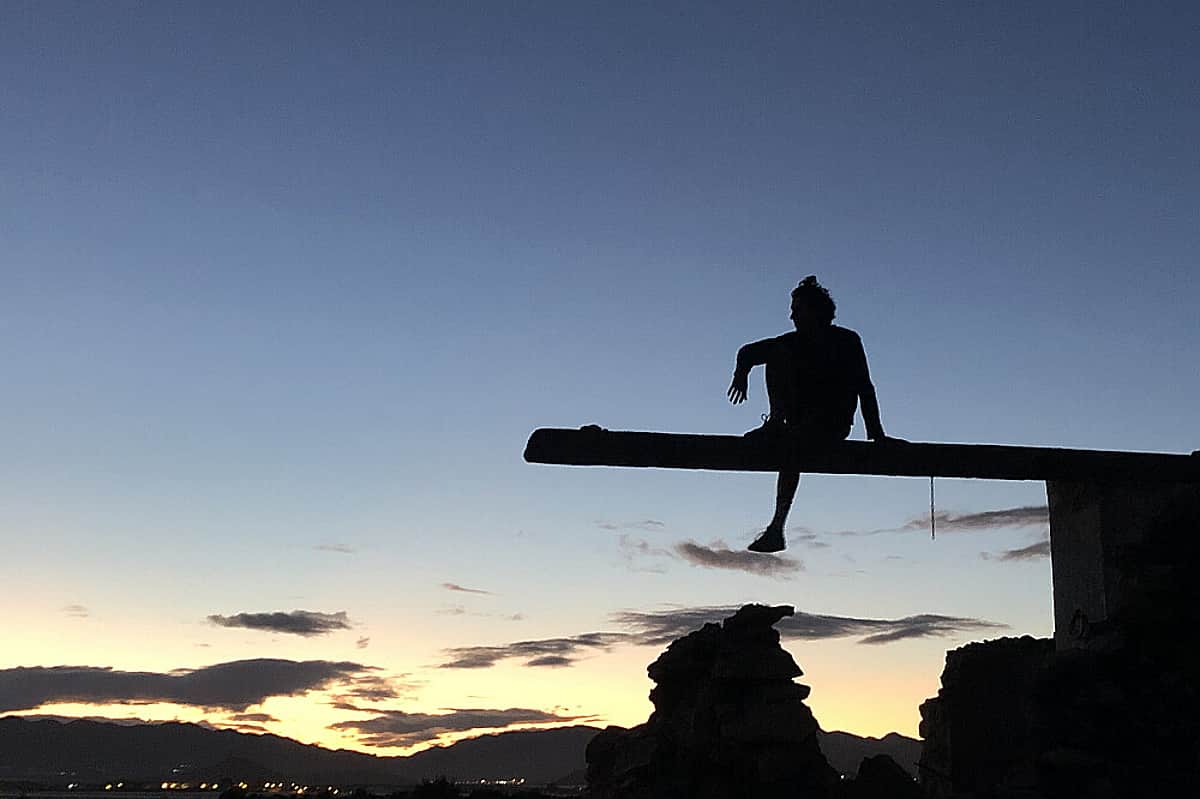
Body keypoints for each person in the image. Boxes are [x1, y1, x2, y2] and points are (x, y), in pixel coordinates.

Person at [728, 276, 897, 553]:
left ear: (817, 311)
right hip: (794, 425)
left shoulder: (846, 341)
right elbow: (748, 352)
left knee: (792, 445)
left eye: (797, 309)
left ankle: (776, 526)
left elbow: (864, 387)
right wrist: (741, 373)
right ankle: (775, 425)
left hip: (830, 424)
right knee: (779, 352)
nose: (791, 315)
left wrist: (877, 436)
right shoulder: (791, 343)